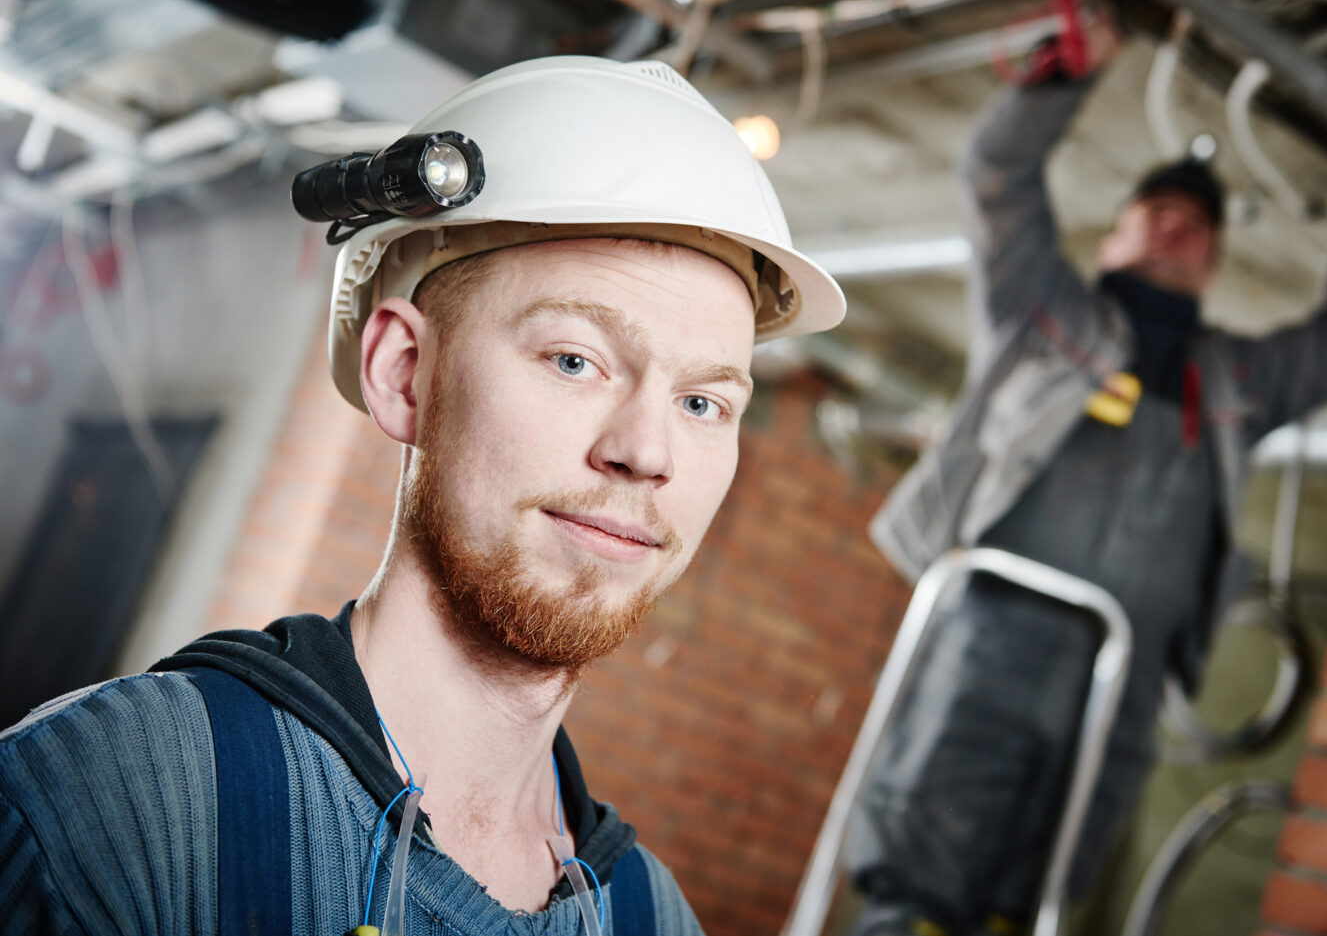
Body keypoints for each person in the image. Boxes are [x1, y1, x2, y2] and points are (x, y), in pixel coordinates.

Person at [0, 56, 845, 935]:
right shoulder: (116, 806)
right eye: (574, 360)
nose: (646, 452)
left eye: (703, 403)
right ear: (404, 371)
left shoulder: (651, 916)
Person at [847, 15, 1327, 936]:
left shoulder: (1235, 383)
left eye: (1195, 222)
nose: (1172, 220)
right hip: (989, 642)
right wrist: (1079, 62)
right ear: (1111, 239)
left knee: (1037, 895)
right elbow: (994, 170)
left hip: (1125, 678)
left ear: (1215, 263)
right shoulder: (1043, 315)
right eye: (1151, 207)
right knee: (920, 880)